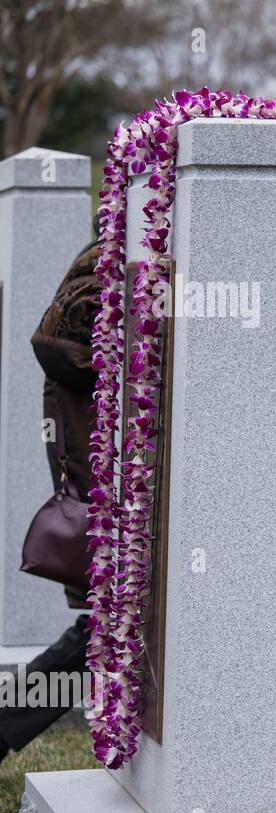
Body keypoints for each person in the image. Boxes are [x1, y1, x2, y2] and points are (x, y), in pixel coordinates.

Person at [0, 240, 100, 765]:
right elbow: (68, 351)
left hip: (110, 464)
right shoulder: (107, 274)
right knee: (103, 630)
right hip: (116, 474)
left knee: (102, 630)